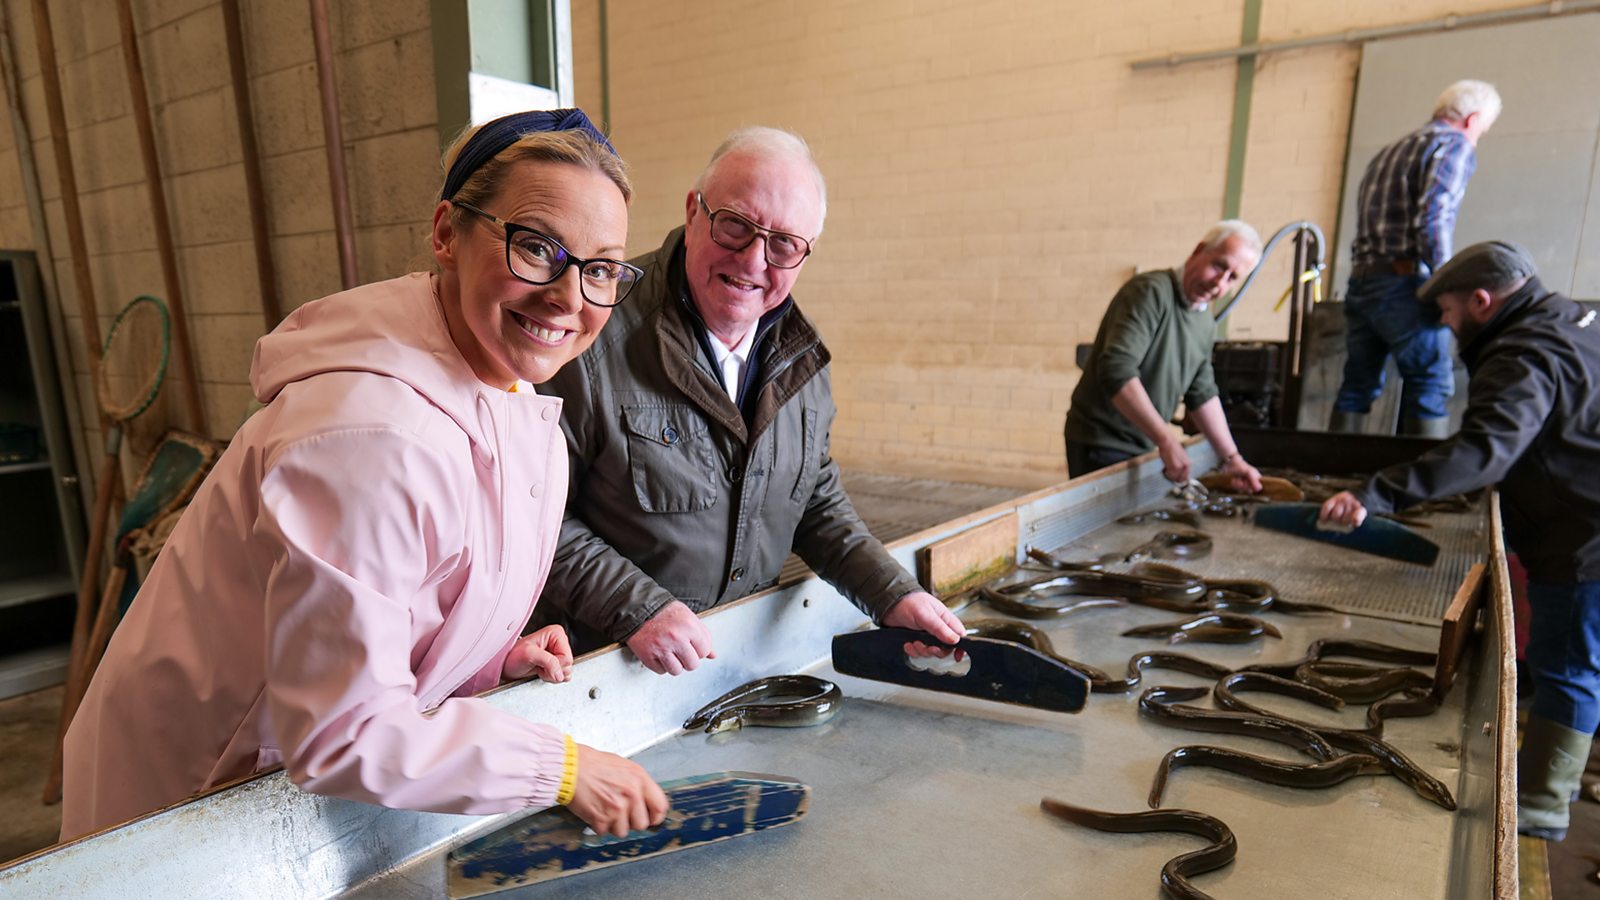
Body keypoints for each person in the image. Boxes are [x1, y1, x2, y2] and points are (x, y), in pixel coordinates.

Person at [61, 110, 668, 842]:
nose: (570, 298)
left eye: (600, 269)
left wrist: (475, 653)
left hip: (270, 786)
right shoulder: (372, 434)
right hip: (182, 806)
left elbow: (381, 600)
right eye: (536, 247)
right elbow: (343, 730)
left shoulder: (496, 384)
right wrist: (562, 769)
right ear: (447, 233)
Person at [530, 126, 964, 674]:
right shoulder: (591, 332)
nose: (753, 260)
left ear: (805, 254)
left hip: (732, 667)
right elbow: (530, 514)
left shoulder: (802, 362)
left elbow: (813, 501)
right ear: (694, 211)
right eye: (736, 225)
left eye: (783, 244)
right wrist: (636, 608)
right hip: (598, 671)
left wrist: (893, 594)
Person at [1320, 241, 1600, 842]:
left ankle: (1540, 812)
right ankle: (1563, 778)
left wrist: (1377, 493)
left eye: (1447, 313)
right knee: (1583, 664)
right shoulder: (1578, 320)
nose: (1445, 327)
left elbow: (1483, 450)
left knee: (1568, 669)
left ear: (1481, 300)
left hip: (1584, 538)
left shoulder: (1522, 351)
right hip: (1585, 514)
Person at [1330, 79, 1502, 438]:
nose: (1477, 138)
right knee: (1430, 383)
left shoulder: (1389, 152)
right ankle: (1426, 476)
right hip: (1404, 285)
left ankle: (1330, 470)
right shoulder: (1453, 145)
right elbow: (1434, 218)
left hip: (1362, 283)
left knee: (1357, 386)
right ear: (1472, 120)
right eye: (1483, 130)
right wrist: (1446, 283)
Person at [1063, 220, 1265, 491]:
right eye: (1219, 266)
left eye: (1232, 278)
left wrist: (1232, 459)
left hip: (1143, 444)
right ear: (1199, 251)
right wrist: (1166, 440)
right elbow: (1117, 370)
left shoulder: (1204, 322)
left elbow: (1202, 391)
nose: (1220, 283)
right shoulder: (1149, 292)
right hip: (1102, 440)